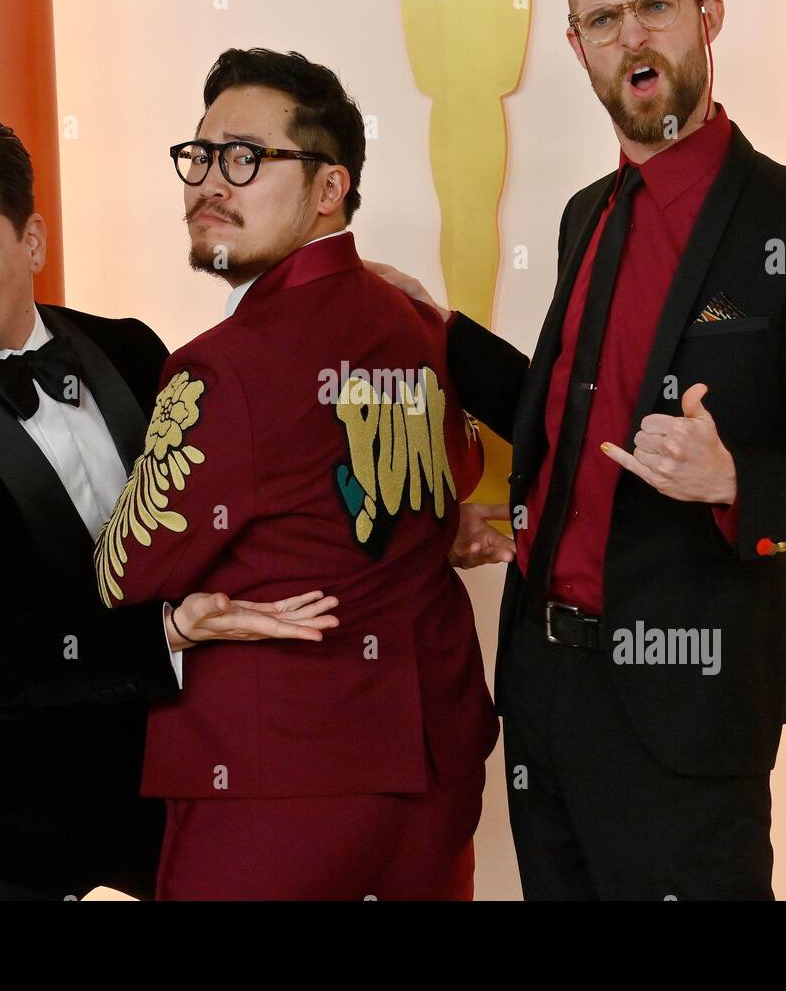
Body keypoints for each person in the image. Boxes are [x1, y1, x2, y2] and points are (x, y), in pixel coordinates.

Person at [370, 0, 786, 900]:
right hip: (542, 688)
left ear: (708, 16)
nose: (634, 37)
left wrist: (735, 478)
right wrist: (436, 332)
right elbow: (571, 405)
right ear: (576, 45)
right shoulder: (588, 214)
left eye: (655, 6)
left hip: (688, 716)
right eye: (605, 18)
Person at [0, 112, 336, 900]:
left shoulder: (132, 349)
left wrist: (426, 518)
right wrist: (163, 631)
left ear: (32, 241)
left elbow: (237, 498)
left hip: (174, 775)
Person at [94, 49, 498, 900]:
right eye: (199, 157)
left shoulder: (219, 368)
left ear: (329, 188)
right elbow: (448, 483)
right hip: (437, 767)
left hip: (273, 775)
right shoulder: (422, 322)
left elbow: (125, 573)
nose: (210, 181)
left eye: (245, 158)